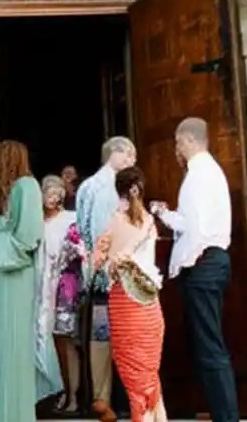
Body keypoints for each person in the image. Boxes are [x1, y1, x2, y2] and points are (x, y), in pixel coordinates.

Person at [153, 118, 237, 422]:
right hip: (210, 262)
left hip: (203, 264)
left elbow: (194, 228)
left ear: (188, 140)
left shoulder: (199, 174)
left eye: (178, 143)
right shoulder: (209, 171)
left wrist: (181, 264)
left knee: (210, 346)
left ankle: (226, 416)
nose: (176, 149)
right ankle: (221, 413)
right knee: (207, 342)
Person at [0, 141, 49, 422]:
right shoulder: (27, 185)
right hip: (13, 264)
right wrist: (18, 252)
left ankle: (5, 414)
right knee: (17, 342)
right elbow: (31, 234)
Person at [94, 167, 166, 422]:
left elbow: (98, 260)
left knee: (133, 370)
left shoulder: (115, 220)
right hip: (150, 302)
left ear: (118, 191)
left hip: (124, 301)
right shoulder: (149, 221)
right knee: (148, 370)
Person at [74, 136, 136, 422]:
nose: (132, 161)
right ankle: (113, 399)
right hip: (112, 275)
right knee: (112, 336)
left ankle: (112, 397)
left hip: (111, 274)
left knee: (112, 336)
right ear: (115, 152)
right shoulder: (106, 188)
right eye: (130, 155)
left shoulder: (100, 187)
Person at [37, 175, 84, 415]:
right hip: (40, 287)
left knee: (66, 340)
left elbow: (80, 250)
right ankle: (51, 391)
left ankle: (72, 396)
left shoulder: (71, 220)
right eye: (48, 192)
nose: (53, 197)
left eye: (57, 193)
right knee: (46, 340)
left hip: (64, 286)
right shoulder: (36, 222)